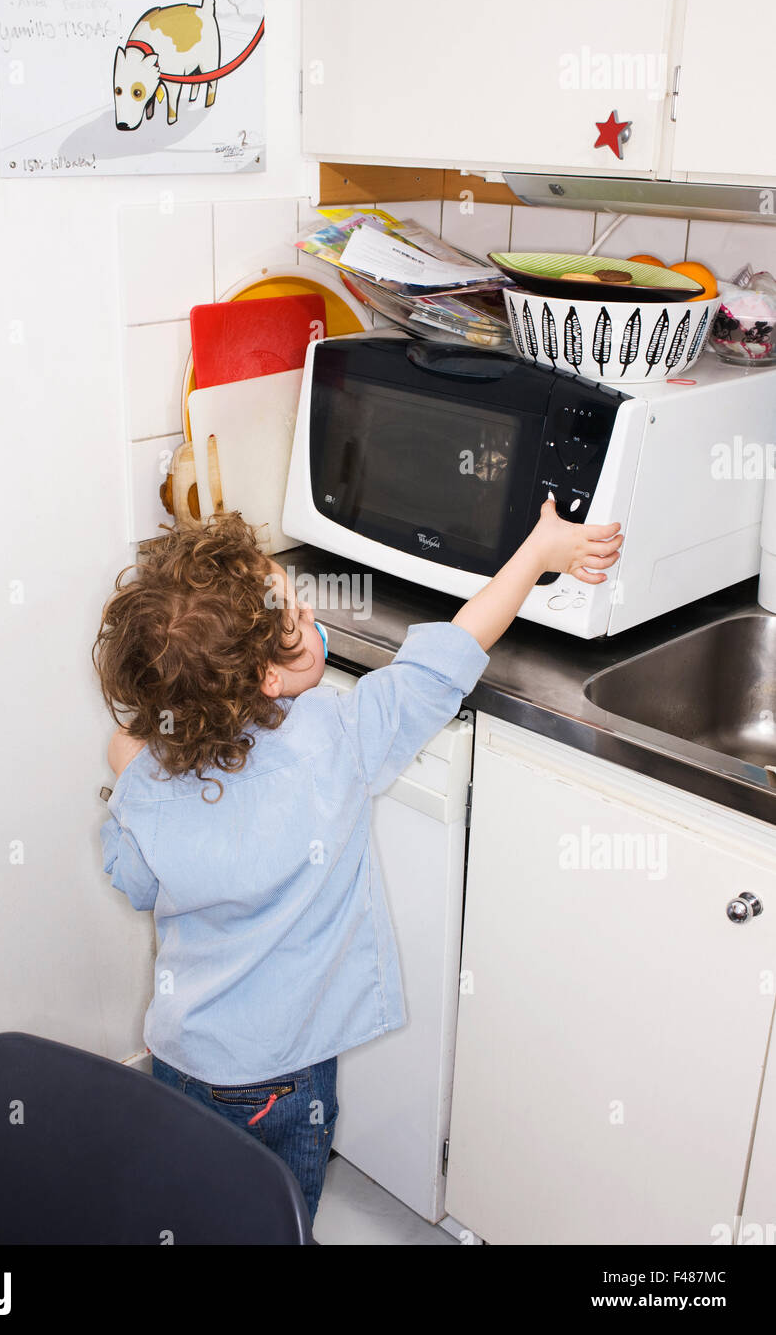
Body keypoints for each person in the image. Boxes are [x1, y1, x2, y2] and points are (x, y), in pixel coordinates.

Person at [92, 499, 622, 1224]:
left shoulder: (152, 786)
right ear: (268, 681)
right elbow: (445, 662)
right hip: (285, 1075)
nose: (311, 614)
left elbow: (137, 883)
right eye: (297, 622)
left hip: (181, 1057)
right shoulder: (334, 740)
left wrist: (129, 767)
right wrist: (536, 553)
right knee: (274, 1218)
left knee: (197, 1208)